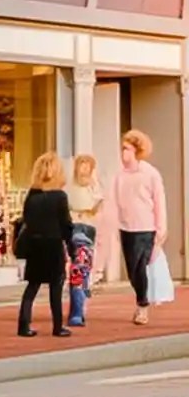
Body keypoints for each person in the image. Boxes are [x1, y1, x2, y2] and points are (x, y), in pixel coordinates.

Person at [106, 129, 167, 325]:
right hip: (126, 228)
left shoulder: (150, 174)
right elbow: (113, 202)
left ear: (137, 151)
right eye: (122, 149)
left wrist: (161, 228)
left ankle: (142, 306)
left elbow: (159, 201)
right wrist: (113, 226)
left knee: (140, 267)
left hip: (146, 227)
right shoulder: (120, 176)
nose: (123, 153)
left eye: (127, 149)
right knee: (132, 269)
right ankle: (141, 298)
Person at [17, 152, 74, 338]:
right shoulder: (60, 197)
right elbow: (66, 225)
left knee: (32, 287)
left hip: (35, 244)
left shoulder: (32, 196)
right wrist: (71, 248)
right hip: (53, 244)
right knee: (55, 288)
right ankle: (58, 326)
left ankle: (23, 325)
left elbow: (26, 219)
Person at [65, 155, 102, 326]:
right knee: (79, 270)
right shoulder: (70, 188)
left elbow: (98, 207)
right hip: (76, 229)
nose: (84, 170)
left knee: (82, 271)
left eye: (88, 166)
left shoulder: (94, 187)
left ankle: (79, 307)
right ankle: (77, 313)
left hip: (89, 229)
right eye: (82, 165)